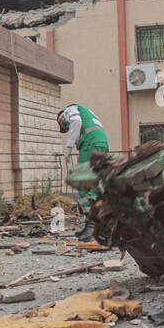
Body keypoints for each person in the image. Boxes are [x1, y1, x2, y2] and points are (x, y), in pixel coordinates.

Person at [57, 103, 109, 241]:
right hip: (101, 144)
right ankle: (103, 227)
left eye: (64, 126)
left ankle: (92, 228)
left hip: (90, 144)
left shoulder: (70, 110)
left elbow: (76, 121)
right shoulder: (88, 112)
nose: (66, 128)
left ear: (61, 118)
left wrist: (69, 146)